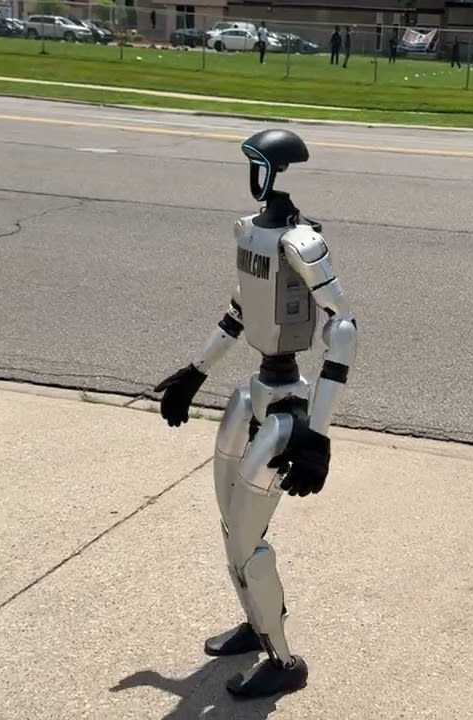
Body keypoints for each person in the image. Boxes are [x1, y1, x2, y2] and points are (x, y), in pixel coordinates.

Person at [153, 128, 358, 700]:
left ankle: (285, 660)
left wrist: (316, 436)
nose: (254, 173)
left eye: (260, 163)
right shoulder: (248, 232)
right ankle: (255, 621)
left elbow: (341, 327)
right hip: (251, 392)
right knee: (230, 524)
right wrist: (195, 372)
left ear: (278, 168)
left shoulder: (302, 241)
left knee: (248, 540)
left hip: (287, 408)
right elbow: (240, 310)